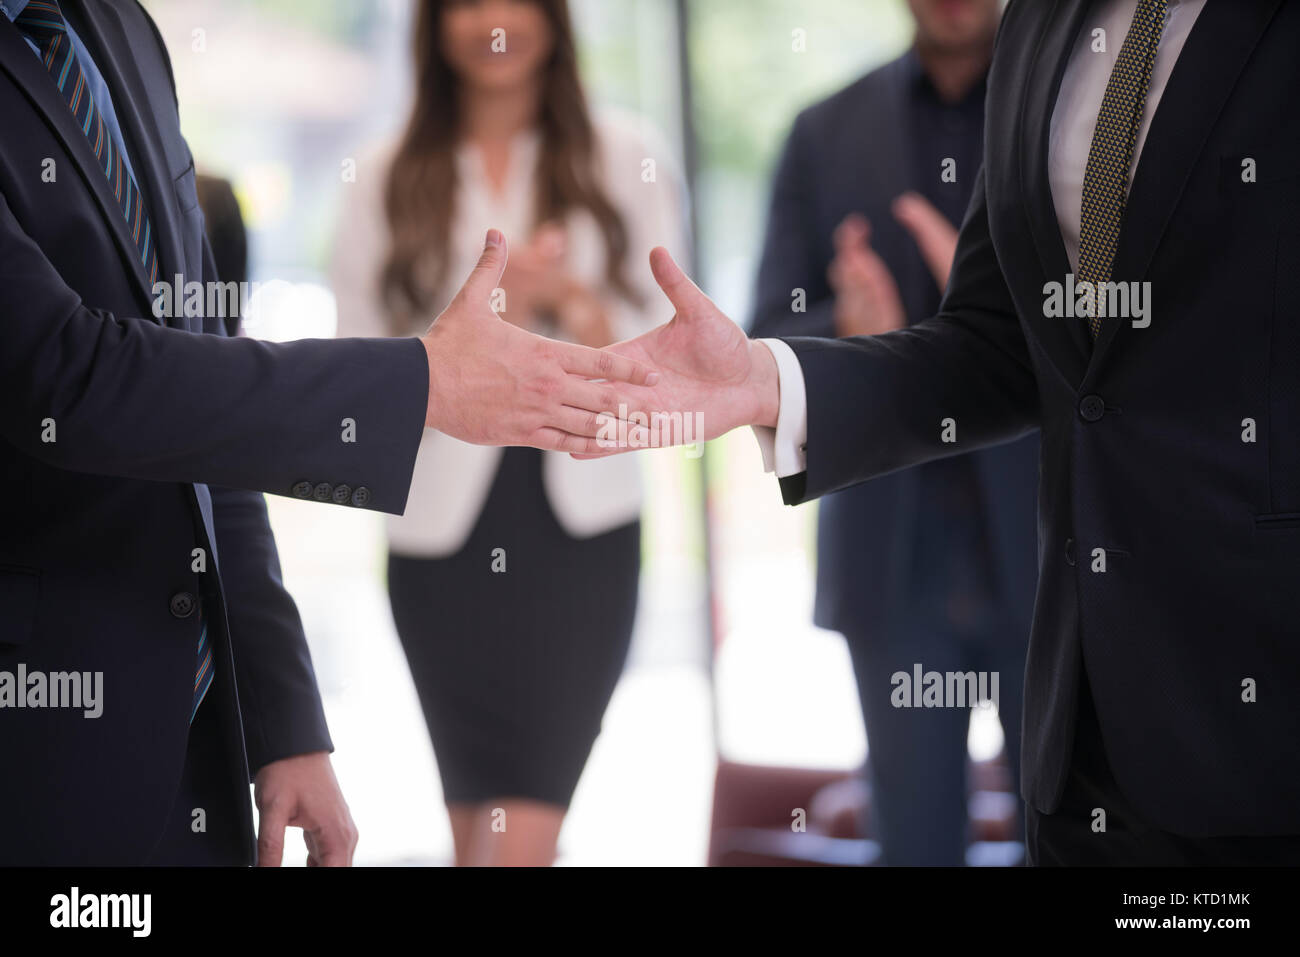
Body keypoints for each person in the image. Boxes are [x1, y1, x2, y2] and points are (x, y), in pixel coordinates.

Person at [603, 0, 1300, 865]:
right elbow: (997, 339)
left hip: (1258, 696)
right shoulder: (1040, 30)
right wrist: (769, 378)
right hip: (1063, 693)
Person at [0, 0, 654, 866]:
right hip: (49, 725)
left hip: (209, 720)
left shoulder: (120, 28)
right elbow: (65, 372)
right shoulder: (386, 170)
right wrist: (428, 373)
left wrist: (282, 718)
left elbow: (203, 376)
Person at [331, 0, 686, 866]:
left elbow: (671, 350)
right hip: (439, 536)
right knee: (472, 829)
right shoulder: (385, 173)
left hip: (580, 532)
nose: (494, 20)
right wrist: (489, 308)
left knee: (524, 829)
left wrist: (570, 301)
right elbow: (354, 355)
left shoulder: (624, 155)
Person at [749, 0, 1033, 865]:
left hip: (1054, 541)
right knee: (913, 841)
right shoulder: (823, 129)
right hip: (895, 553)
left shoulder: (1065, 112)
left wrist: (1001, 303)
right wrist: (846, 323)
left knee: (1078, 835)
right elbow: (769, 324)